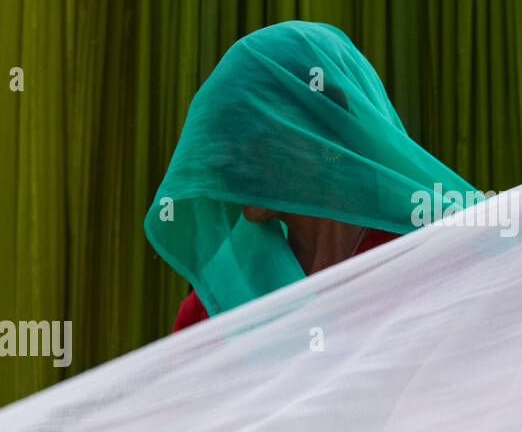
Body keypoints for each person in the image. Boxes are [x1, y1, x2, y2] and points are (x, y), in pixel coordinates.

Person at [147, 21, 475, 331]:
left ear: (330, 121)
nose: (224, 160)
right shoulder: (213, 308)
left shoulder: (445, 263)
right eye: (220, 140)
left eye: (249, 131)